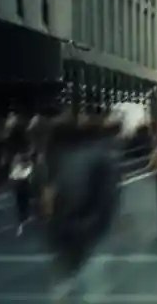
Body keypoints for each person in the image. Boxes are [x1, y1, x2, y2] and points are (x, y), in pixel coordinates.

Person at [41, 115, 122, 302]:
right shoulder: (100, 157)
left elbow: (50, 199)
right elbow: (106, 197)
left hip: (66, 230)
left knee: (64, 283)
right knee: (92, 286)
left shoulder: (59, 160)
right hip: (89, 229)